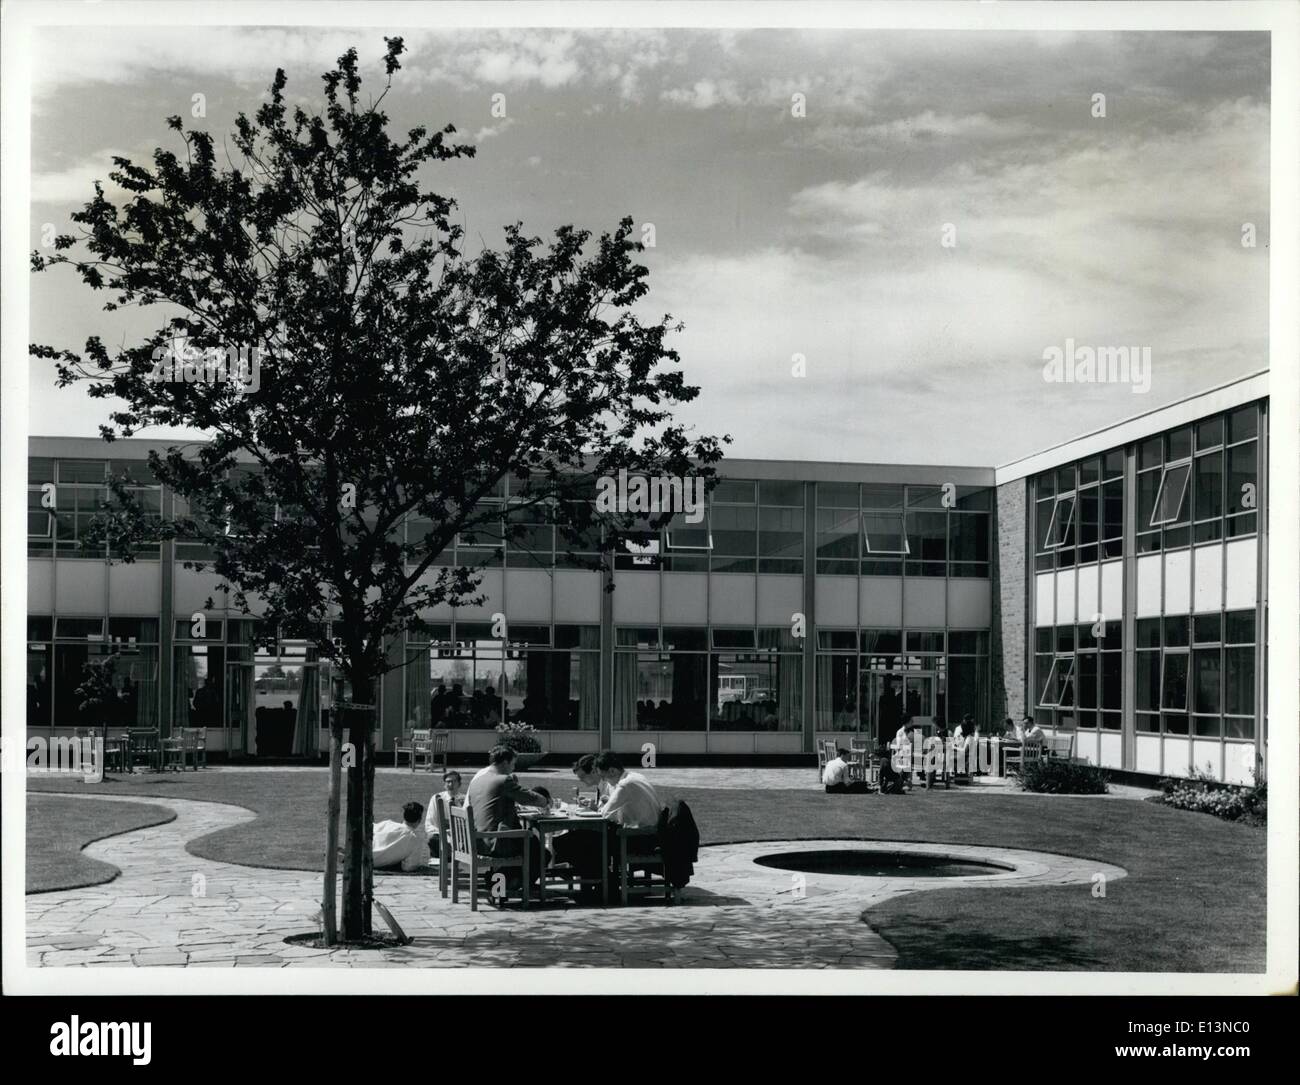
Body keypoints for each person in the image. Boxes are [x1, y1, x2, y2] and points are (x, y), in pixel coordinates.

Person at [464, 745, 549, 895]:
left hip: (477, 840)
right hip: (494, 842)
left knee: (527, 843)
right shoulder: (503, 780)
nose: (513, 768)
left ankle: (501, 881)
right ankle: (515, 885)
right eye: (513, 764)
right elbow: (530, 798)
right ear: (504, 763)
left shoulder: (478, 780)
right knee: (540, 850)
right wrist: (546, 800)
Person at [373, 801, 429, 871]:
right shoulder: (415, 839)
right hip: (375, 862)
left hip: (361, 855)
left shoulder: (387, 823)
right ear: (419, 820)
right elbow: (409, 867)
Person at [425, 769, 464, 841]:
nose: (451, 784)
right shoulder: (436, 798)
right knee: (431, 838)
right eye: (448, 781)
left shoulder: (465, 799)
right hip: (441, 835)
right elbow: (429, 824)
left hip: (461, 836)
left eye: (454, 781)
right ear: (444, 785)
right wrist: (444, 833)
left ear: (459, 784)